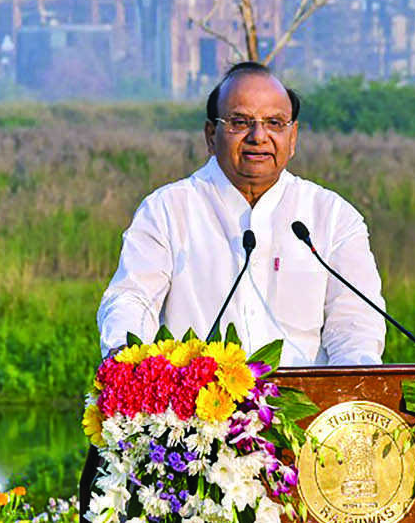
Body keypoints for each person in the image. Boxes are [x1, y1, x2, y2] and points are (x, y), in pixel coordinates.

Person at [97, 61, 387, 365]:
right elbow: (133, 297)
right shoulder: (167, 210)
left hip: (308, 407)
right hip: (197, 407)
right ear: (211, 135)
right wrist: (125, 355)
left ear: (293, 137)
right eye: (240, 122)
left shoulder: (332, 217)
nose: (258, 136)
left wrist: (356, 385)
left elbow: (355, 323)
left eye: (275, 123)